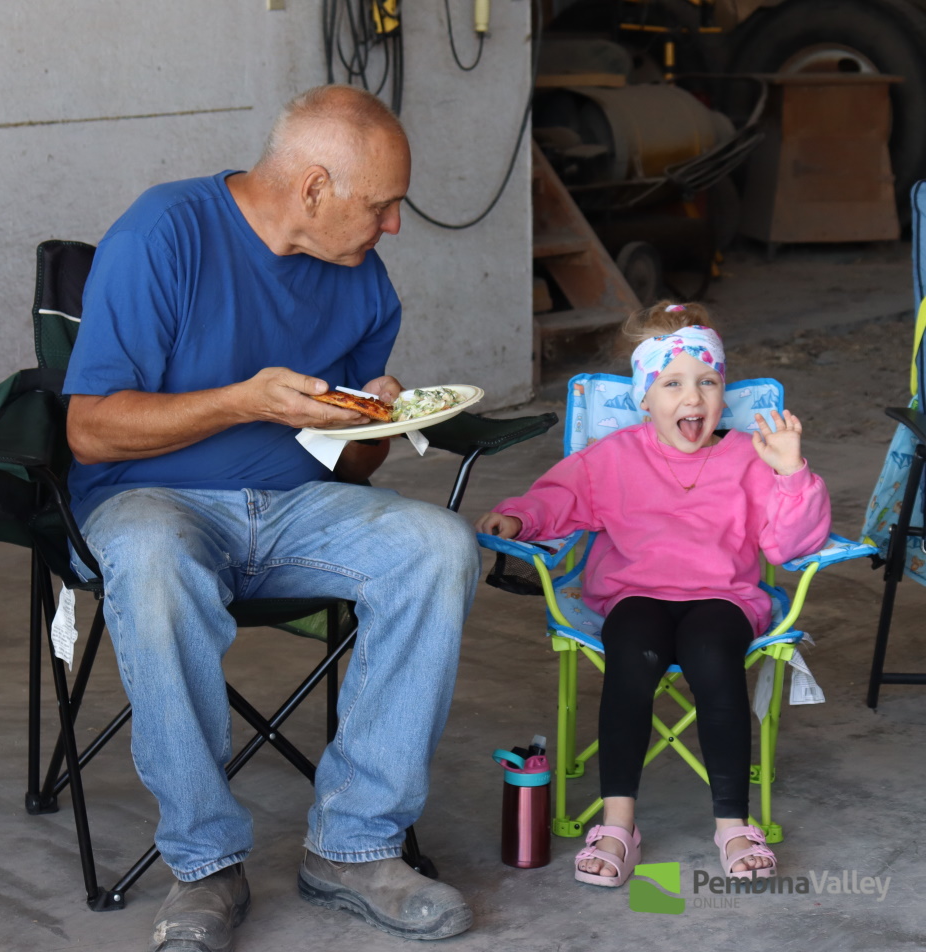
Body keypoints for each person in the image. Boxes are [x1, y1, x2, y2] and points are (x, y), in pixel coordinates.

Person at [63, 85, 480, 951]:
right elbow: (91, 430)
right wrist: (244, 403)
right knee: (148, 551)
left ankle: (356, 848)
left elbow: (356, 467)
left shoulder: (364, 283)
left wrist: (379, 424)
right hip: (158, 502)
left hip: (301, 508)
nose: (393, 226)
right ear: (316, 186)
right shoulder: (164, 233)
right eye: (382, 205)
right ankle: (204, 864)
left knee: (437, 545)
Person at [474, 301, 831, 887]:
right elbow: (555, 500)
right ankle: (618, 825)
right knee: (631, 656)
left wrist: (791, 474)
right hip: (634, 595)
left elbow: (791, 543)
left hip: (722, 596)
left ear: (724, 389)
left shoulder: (750, 455)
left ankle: (733, 824)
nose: (693, 398)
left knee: (716, 659)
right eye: (672, 383)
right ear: (643, 395)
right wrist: (518, 519)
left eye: (708, 381)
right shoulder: (612, 457)